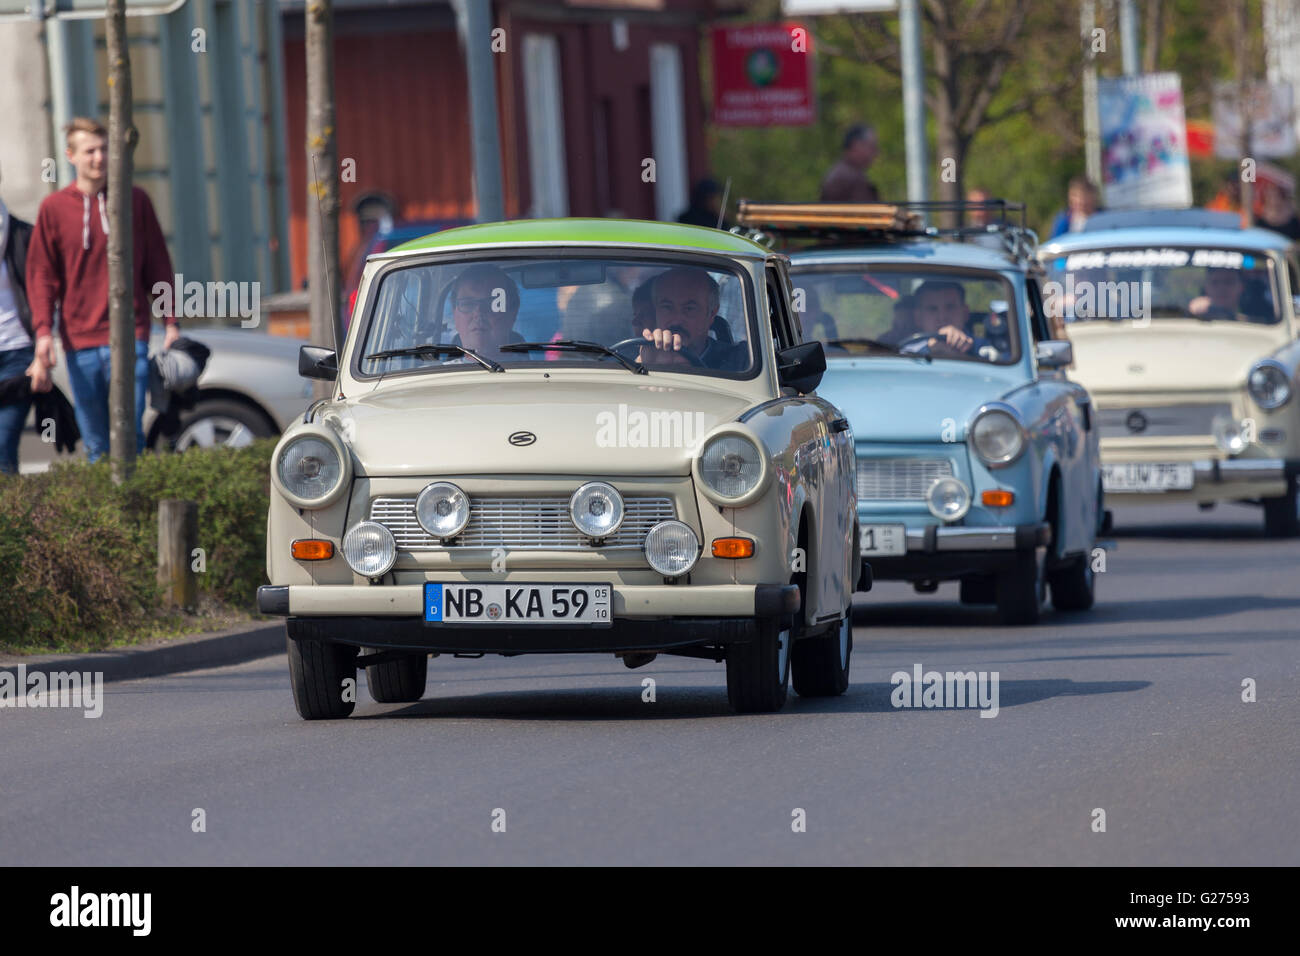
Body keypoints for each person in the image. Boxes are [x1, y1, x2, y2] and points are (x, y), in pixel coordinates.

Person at [25, 117, 180, 463]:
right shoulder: (53, 208)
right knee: (95, 442)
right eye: (90, 150)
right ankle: (110, 517)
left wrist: (171, 322)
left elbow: (157, 264)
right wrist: (43, 333)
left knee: (130, 434)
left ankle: (134, 511)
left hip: (130, 335)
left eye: (105, 149)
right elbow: (41, 276)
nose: (99, 157)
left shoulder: (134, 201)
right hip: (78, 340)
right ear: (71, 156)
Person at [0, 179, 42, 474]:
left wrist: (43, 355)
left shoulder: (23, 236)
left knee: (3, 447)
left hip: (17, 354)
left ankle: (10, 520)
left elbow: (42, 297)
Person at [638, 267, 746, 371]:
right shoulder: (632, 352)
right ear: (655, 310)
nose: (677, 320)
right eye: (667, 307)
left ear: (712, 313)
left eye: (689, 309)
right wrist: (643, 366)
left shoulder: (741, 363)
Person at [885, 280, 980, 356]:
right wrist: (928, 350)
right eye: (932, 309)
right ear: (918, 318)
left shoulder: (983, 349)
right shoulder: (905, 351)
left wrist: (968, 353)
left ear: (965, 312)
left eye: (950, 307)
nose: (942, 317)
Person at [446, 263, 521, 358]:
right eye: (468, 304)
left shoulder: (537, 371)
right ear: (455, 315)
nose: (479, 312)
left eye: (492, 304)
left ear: (513, 313)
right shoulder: (433, 372)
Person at [820, 125, 881, 203]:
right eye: (872, 147)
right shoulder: (846, 177)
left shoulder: (846, 173)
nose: (875, 153)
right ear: (856, 145)